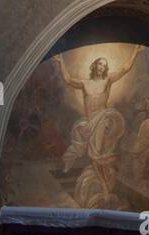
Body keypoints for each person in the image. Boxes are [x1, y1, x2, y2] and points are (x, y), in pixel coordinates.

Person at [55, 47, 142, 207]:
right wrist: (61, 62)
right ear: (94, 66)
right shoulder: (84, 83)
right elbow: (67, 79)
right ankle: (104, 178)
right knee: (91, 151)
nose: (102, 67)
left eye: (104, 65)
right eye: (100, 64)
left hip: (103, 118)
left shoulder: (107, 80)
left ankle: (104, 187)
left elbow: (124, 69)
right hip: (90, 121)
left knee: (95, 153)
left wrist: (135, 52)